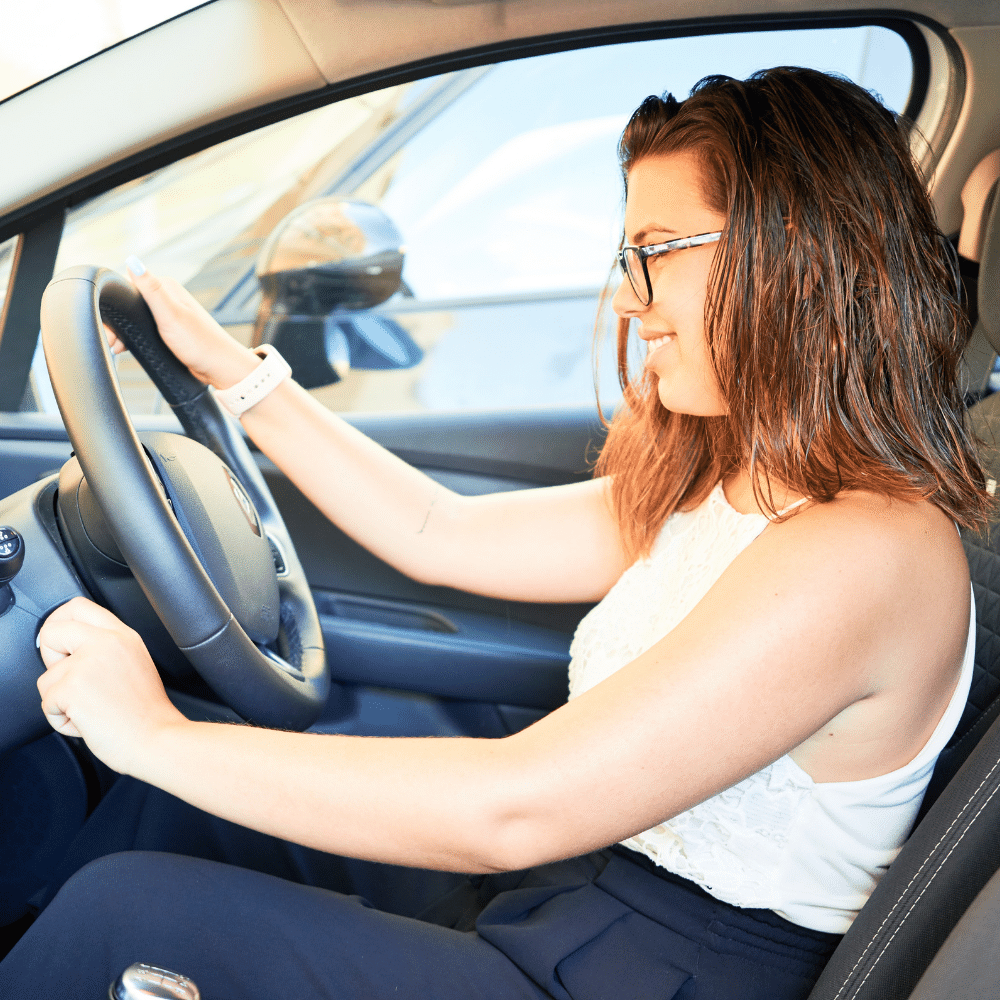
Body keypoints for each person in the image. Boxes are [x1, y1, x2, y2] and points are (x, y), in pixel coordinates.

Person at [0, 67, 990, 1000]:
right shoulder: (738, 476)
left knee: (125, 912)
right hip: (577, 902)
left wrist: (151, 731)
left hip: (656, 970)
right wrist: (236, 377)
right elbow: (441, 531)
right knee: (175, 813)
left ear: (797, 254)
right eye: (625, 257)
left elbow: (516, 806)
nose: (625, 297)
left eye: (653, 252)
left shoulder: (869, 549)